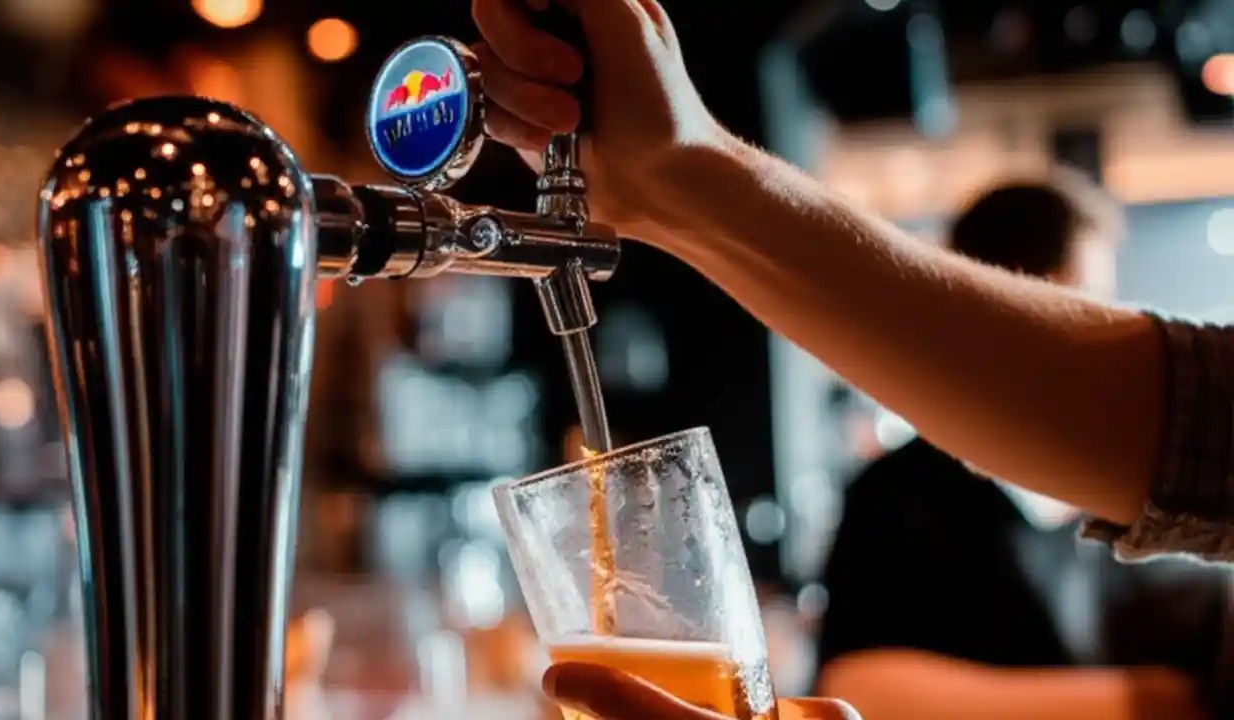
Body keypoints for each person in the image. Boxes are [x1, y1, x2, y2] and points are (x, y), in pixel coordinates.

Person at [470, 0, 1234, 716]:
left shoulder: (1103, 520)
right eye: (1083, 303)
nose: (1088, 322)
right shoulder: (911, 494)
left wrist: (681, 181)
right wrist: (677, 179)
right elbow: (1183, 421)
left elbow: (1181, 427)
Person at [814, 176, 1230, 720]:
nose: (1112, 326)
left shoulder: (1114, 499)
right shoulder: (904, 491)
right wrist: (1141, 701)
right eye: (1093, 302)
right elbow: (857, 689)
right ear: (1029, 304)